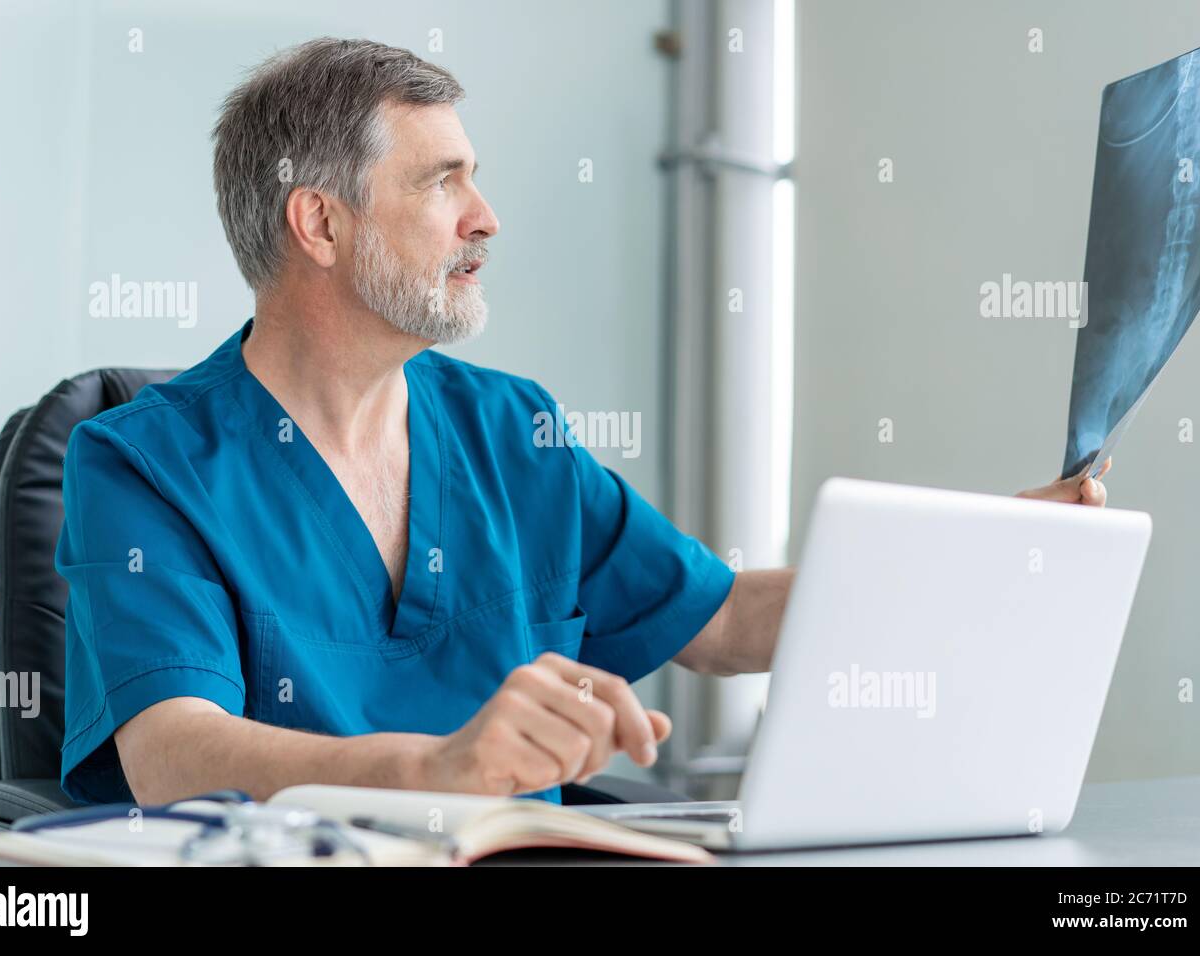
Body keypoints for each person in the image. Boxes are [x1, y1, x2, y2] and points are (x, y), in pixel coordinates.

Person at [56, 38, 1108, 807]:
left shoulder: (514, 434)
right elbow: (174, 753)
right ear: (319, 221)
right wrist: (437, 768)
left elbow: (723, 618)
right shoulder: (140, 463)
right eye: (443, 181)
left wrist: (988, 554)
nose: (486, 216)